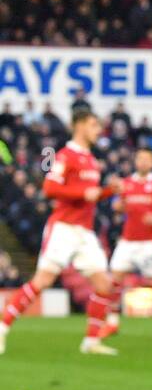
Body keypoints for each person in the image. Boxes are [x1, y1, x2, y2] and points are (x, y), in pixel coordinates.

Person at [0, 109, 121, 356]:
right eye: (93, 125)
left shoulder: (91, 159)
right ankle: (2, 328)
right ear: (79, 126)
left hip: (85, 232)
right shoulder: (66, 156)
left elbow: (90, 196)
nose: (98, 130)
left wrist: (109, 191)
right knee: (41, 282)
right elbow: (50, 187)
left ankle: (91, 341)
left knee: (104, 284)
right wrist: (83, 194)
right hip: (64, 228)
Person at [101, 147, 152, 342]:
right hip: (127, 240)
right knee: (114, 281)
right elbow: (117, 206)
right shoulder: (126, 184)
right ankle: (112, 322)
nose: (142, 162)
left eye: (146, 159)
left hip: (148, 243)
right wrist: (117, 207)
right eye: (139, 158)